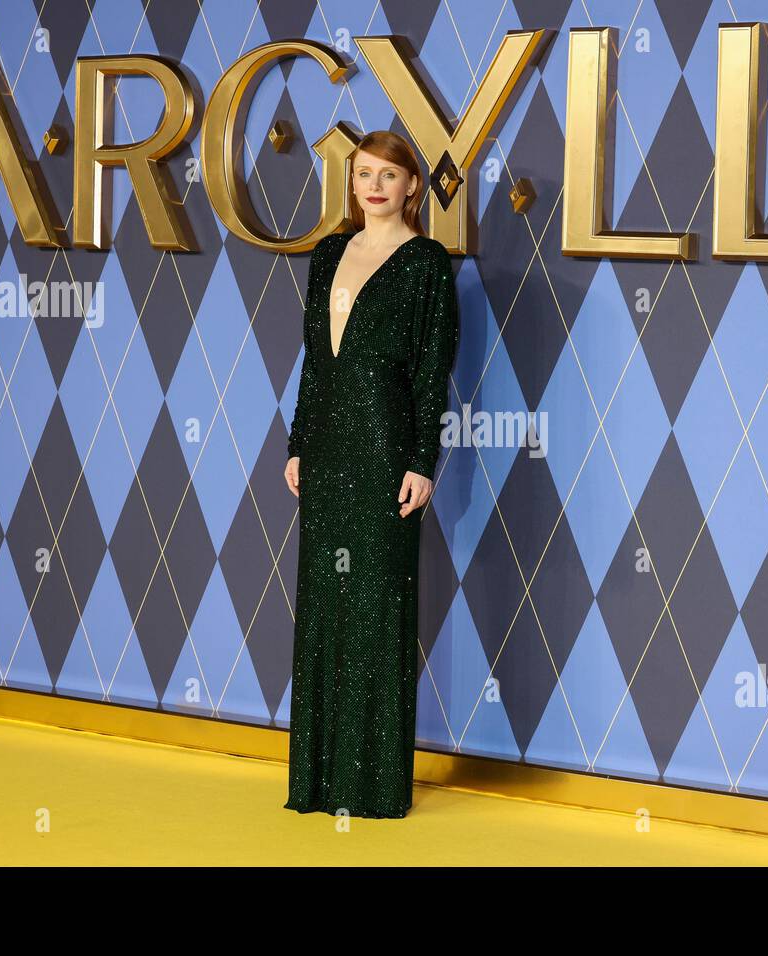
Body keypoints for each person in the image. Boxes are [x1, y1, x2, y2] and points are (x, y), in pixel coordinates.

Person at [282, 131, 460, 818]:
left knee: (379, 608)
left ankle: (376, 786)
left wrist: (423, 460)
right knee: (325, 607)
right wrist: (298, 445)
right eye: (364, 173)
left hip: (387, 453)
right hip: (326, 454)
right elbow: (314, 362)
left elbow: (429, 371)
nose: (376, 185)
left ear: (413, 185)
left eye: (390, 174)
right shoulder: (328, 253)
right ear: (350, 182)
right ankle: (318, 782)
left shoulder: (427, 264)